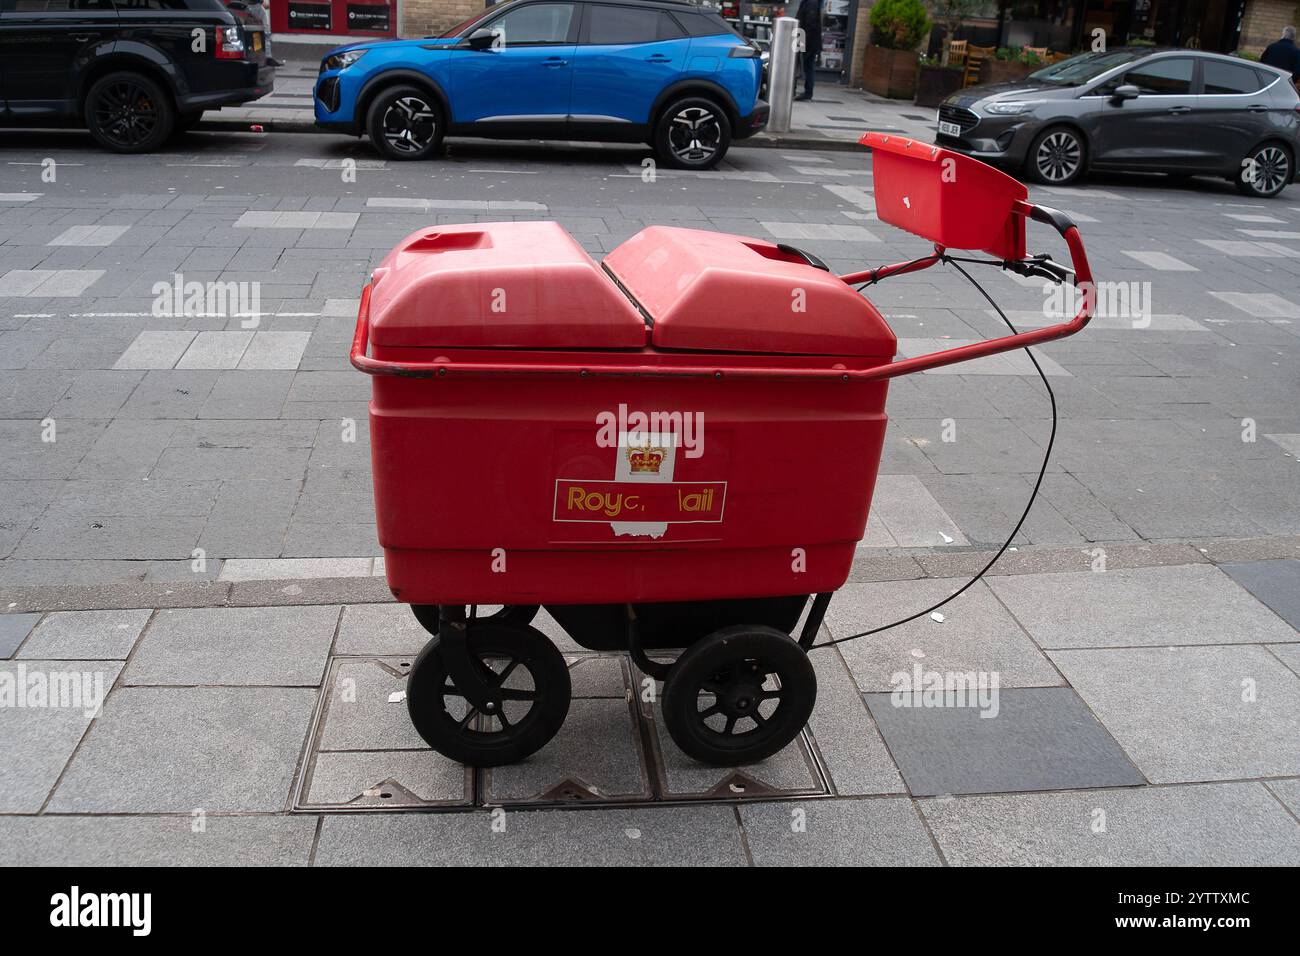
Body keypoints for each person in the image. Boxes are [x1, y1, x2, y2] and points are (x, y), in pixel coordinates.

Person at [795, 0, 822, 101]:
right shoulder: (809, 2)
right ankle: (806, 92)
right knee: (805, 66)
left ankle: (808, 93)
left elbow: (811, 23)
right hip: (805, 39)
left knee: (807, 67)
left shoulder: (811, 2)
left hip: (807, 41)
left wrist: (804, 42)